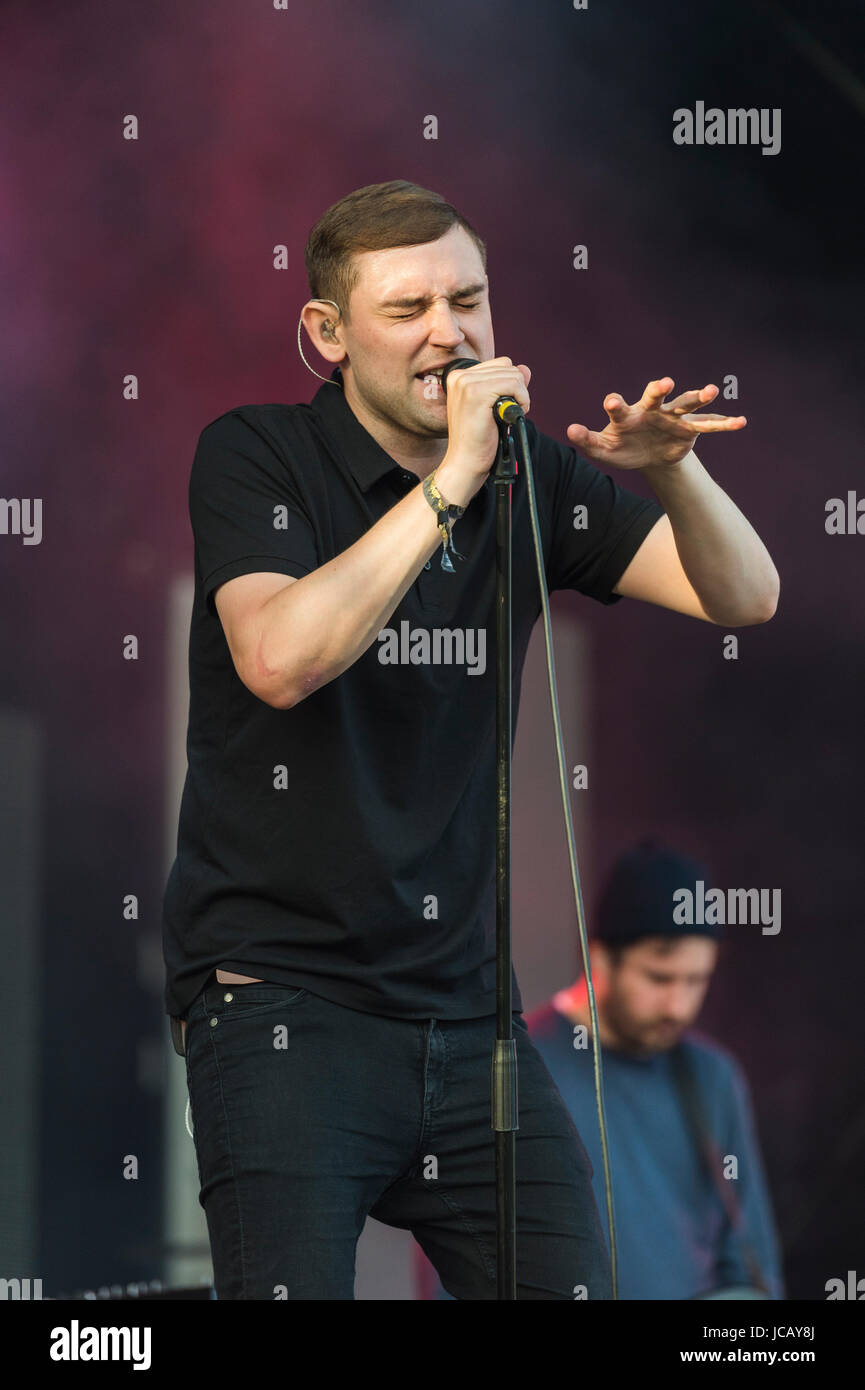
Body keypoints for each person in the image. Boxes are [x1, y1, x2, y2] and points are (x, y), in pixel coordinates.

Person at [161, 179, 779, 1300]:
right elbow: (280, 658)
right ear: (328, 333)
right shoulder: (256, 456)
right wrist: (450, 481)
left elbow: (740, 595)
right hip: (285, 1007)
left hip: (468, 1017)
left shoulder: (528, 472)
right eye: (407, 309)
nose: (448, 330)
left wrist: (674, 470)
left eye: (468, 299)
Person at [419, 842, 785, 1300]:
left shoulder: (713, 1077)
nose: (679, 1005)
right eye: (659, 977)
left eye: (696, 981)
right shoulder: (510, 1066)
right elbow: (454, 1269)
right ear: (599, 956)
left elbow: (752, 1268)